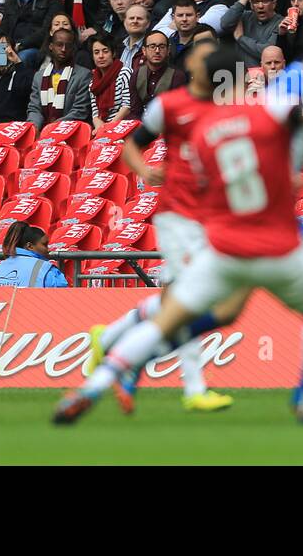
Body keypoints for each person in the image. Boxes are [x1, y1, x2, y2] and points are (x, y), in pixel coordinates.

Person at [56, 43, 303, 424]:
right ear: (238, 81)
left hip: (225, 248)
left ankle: (96, 383)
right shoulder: (267, 115)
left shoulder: (204, 130)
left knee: (170, 318)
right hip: (276, 248)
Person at [90, 37, 234, 413]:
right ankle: (194, 389)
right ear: (193, 68)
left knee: (179, 299)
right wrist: (146, 171)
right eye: (203, 58)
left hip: (207, 215)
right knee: (190, 297)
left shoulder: (225, 111)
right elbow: (131, 146)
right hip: (177, 214)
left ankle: (112, 337)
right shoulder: (169, 106)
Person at [27, 28, 93, 127]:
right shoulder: (39, 76)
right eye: (59, 45)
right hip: (42, 131)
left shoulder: (84, 75)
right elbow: (34, 109)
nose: (63, 49)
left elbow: (80, 111)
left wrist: (52, 127)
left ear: (72, 49)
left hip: (71, 131)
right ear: (51, 46)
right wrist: (34, 128)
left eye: (68, 46)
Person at [0, 221, 68, 288]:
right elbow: (61, 298)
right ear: (29, 246)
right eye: (44, 244)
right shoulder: (45, 269)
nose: (48, 249)